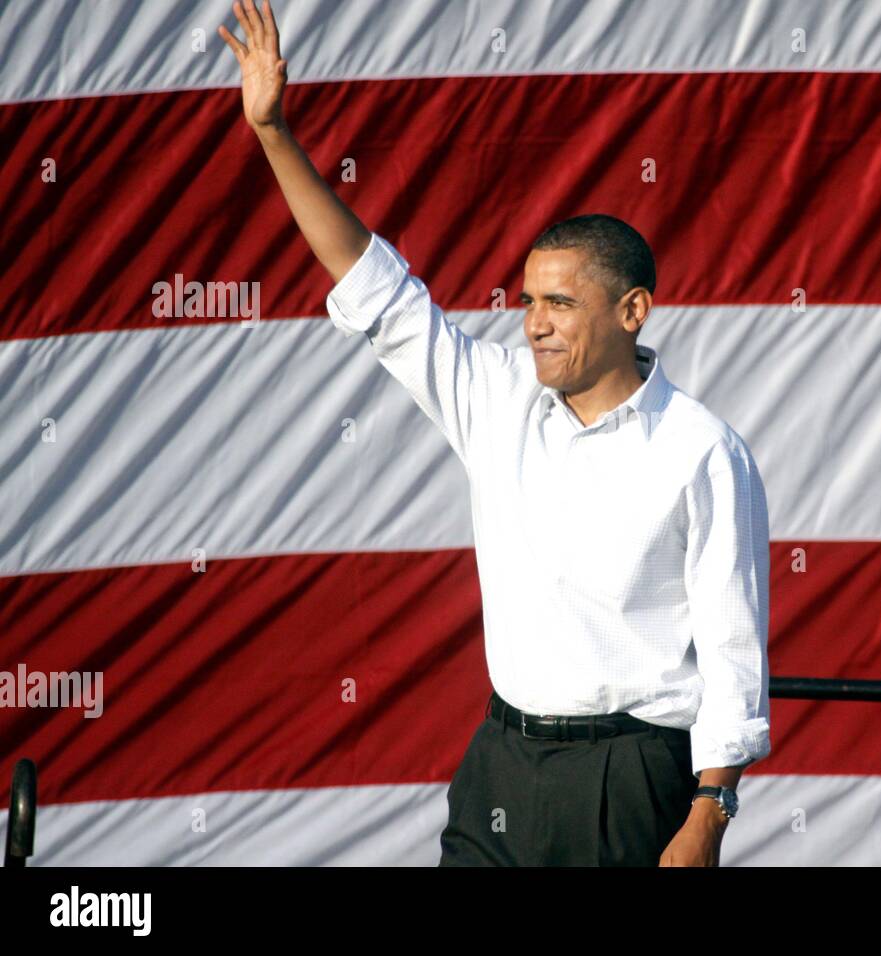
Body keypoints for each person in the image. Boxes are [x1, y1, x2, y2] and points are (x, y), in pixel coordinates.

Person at [220, 0, 771, 867]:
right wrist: (273, 132)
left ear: (633, 312)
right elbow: (374, 285)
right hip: (499, 764)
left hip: (632, 781)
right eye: (527, 302)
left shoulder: (701, 449)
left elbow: (734, 646)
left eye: (561, 302)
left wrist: (707, 815)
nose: (536, 324)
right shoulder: (495, 394)